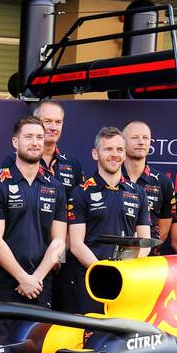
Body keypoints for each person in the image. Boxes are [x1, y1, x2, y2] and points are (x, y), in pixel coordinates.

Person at [0, 116, 67, 310]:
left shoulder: (56, 187)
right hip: (3, 285)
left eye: (39, 137)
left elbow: (59, 241)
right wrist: (22, 277)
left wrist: (36, 278)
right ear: (15, 142)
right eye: (28, 137)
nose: (35, 142)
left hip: (41, 285)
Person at [65, 127, 151, 314]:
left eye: (119, 149)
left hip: (126, 280)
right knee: (90, 330)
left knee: (122, 330)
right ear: (95, 154)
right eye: (108, 149)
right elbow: (76, 244)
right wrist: (102, 271)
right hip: (91, 279)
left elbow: (145, 241)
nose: (115, 154)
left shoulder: (138, 192)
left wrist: (127, 270)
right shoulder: (81, 192)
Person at [0, 99, 83, 195]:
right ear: (35, 122)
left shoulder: (72, 164)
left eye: (58, 122)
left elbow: (79, 200)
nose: (53, 127)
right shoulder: (14, 160)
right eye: (47, 121)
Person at [123, 119, 174, 253]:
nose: (141, 142)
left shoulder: (163, 182)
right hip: (113, 255)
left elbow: (163, 232)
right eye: (135, 137)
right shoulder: (112, 179)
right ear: (122, 142)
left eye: (145, 138)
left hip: (148, 258)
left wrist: (143, 252)